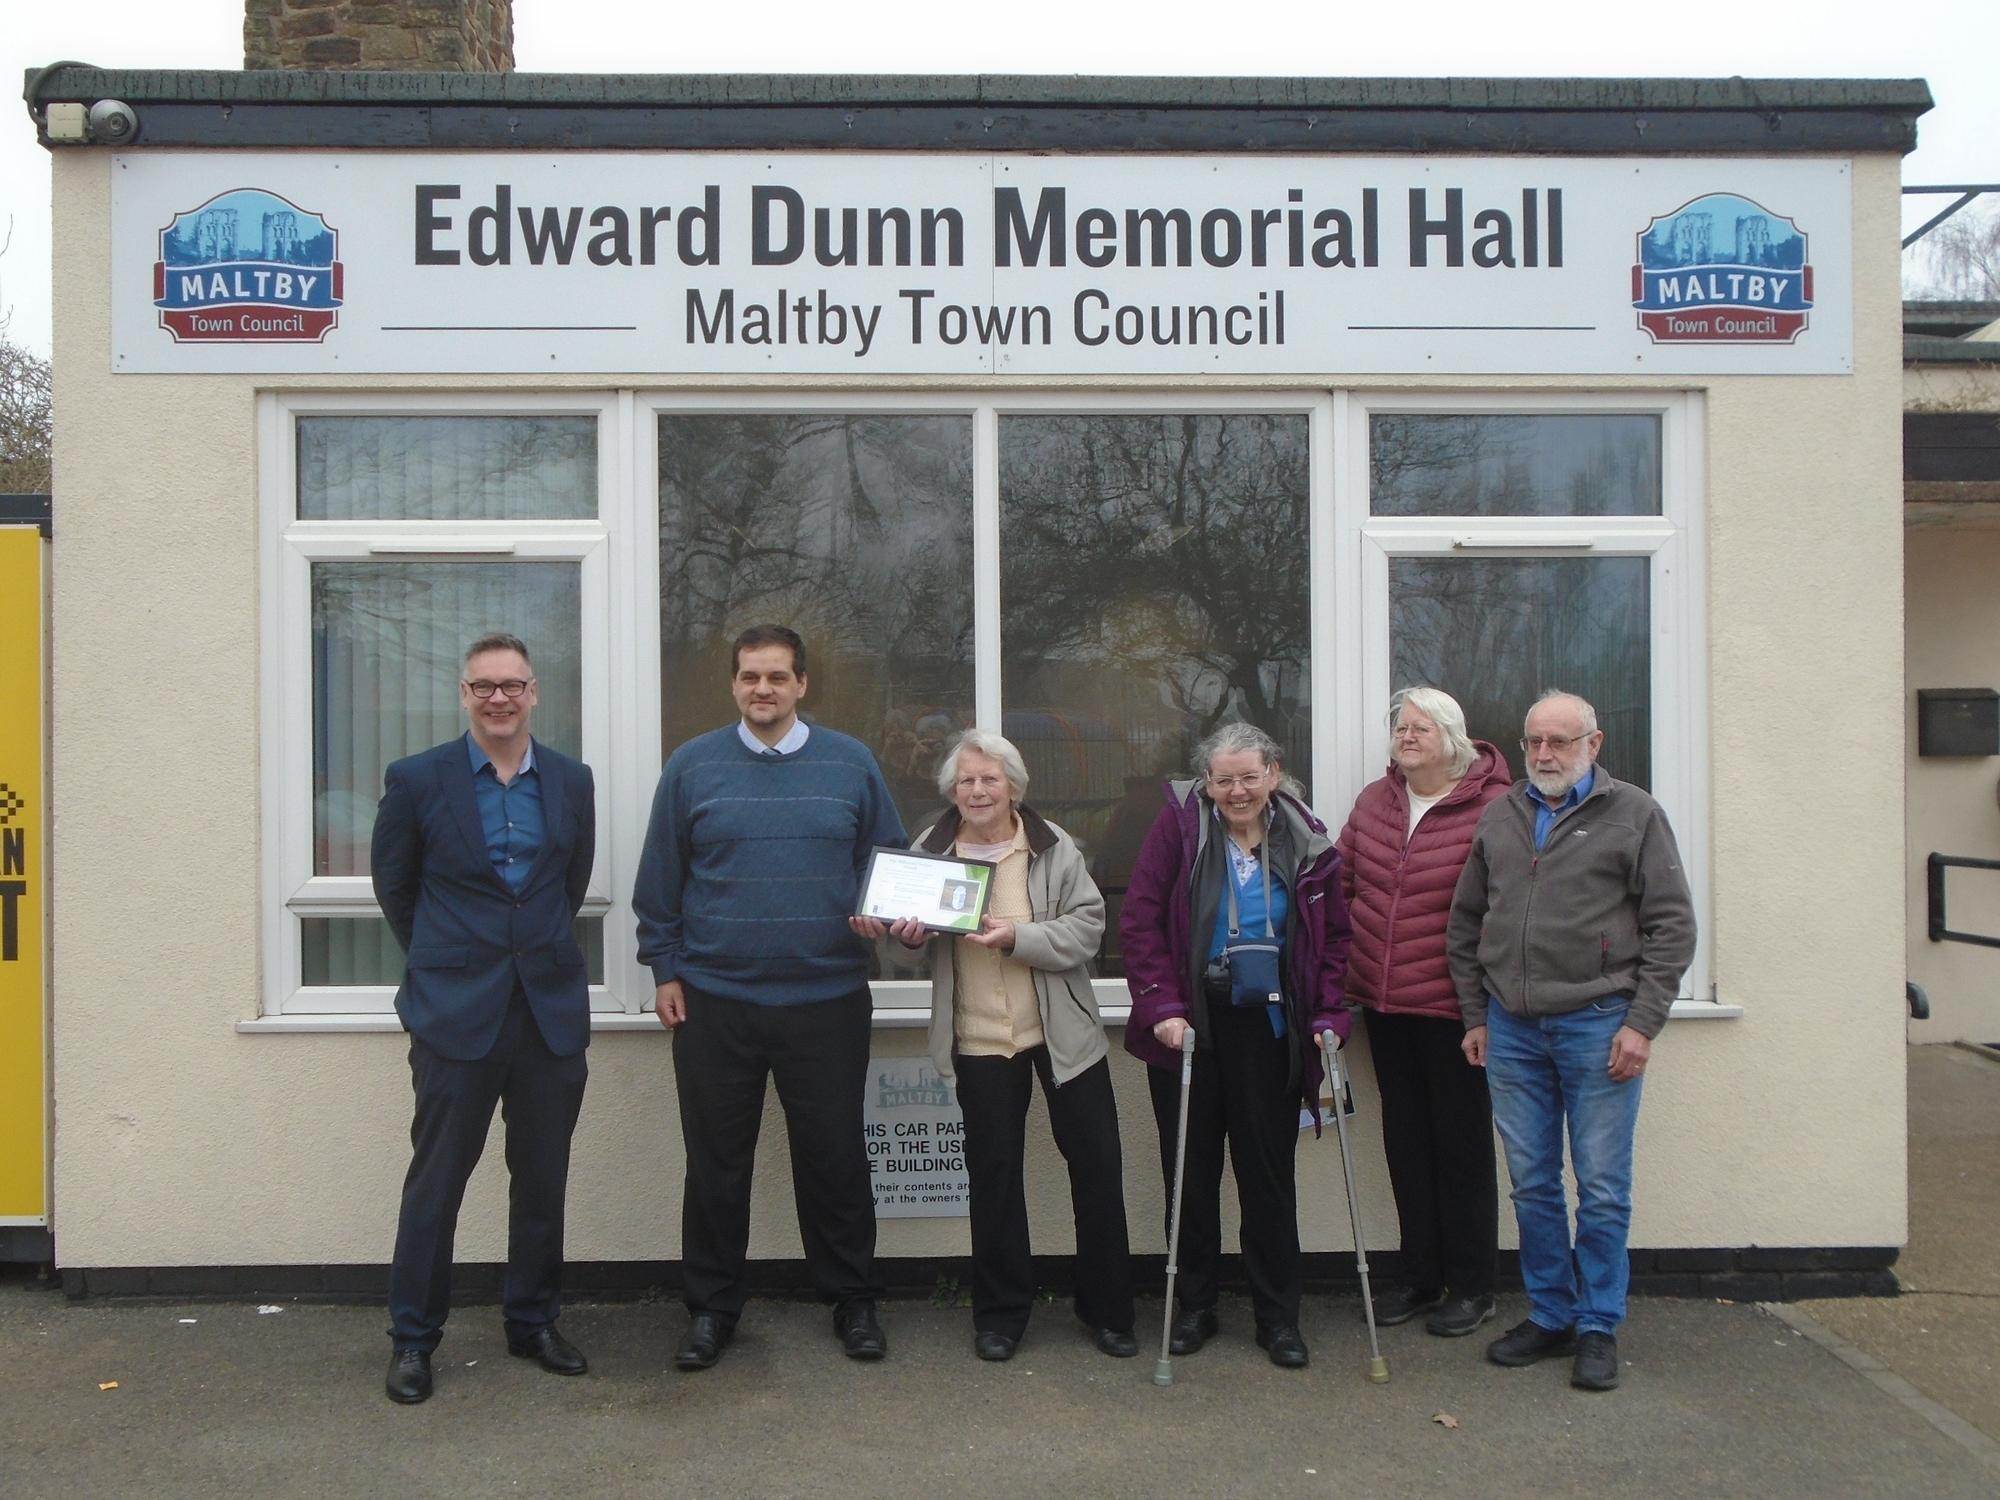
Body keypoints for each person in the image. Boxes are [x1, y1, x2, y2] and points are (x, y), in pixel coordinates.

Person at [634, 624, 907, 1369]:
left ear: (802, 684)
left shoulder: (850, 764)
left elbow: (888, 862)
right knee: (717, 1165)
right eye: (751, 677)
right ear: (733, 684)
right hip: (715, 1001)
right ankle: (712, 1310)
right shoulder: (692, 767)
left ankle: (854, 1303)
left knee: (836, 1159)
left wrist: (891, 916)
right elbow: (659, 881)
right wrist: (664, 969)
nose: (764, 689)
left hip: (827, 997)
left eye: (777, 677)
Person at [851, 730, 1137, 1362]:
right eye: (965, 781)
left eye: (989, 779)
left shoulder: (1054, 847)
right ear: (952, 791)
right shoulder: (928, 852)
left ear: (1014, 787)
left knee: (1096, 1170)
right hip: (978, 1040)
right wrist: (899, 935)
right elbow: (904, 948)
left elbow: (1088, 930)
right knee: (994, 1178)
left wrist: (1018, 936)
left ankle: (1109, 1311)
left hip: (1063, 1038)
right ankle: (1002, 1317)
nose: (977, 791)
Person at [1447, 690, 1696, 1392]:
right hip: (1512, 1028)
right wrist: (1476, 1015)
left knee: (1603, 1188)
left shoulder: (1635, 815)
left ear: (1596, 743)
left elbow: (1672, 926)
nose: (1544, 755)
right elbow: (1465, 927)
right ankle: (1550, 1315)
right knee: (1531, 1185)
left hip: (1599, 1026)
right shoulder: (1501, 815)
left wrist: (1642, 1023)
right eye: (1534, 742)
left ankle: (1597, 1326)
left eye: (1560, 741)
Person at [371, 633, 597, 1405]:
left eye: (512, 686)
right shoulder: (417, 780)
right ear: (464, 694)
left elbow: (566, 886)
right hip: (454, 1016)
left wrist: (524, 954)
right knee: (436, 1184)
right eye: (483, 687)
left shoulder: (571, 781)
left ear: (534, 693)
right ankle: (413, 1339)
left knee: (541, 1179)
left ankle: (532, 1320)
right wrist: (452, 958)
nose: (498, 699)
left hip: (547, 1015)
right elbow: (396, 889)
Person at [1121, 722, 1353, 1369]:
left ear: (1274, 773)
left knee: (1268, 1179)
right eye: (1223, 779)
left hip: (1272, 1029)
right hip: (1189, 1027)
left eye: (1249, 777)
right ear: (1207, 781)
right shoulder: (1180, 827)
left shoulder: (1306, 837)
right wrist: (1162, 1006)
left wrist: (1330, 1012)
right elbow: (1139, 921)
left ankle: (1278, 1317)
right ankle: (1194, 1307)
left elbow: (1334, 937)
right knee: (1191, 1177)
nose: (1237, 790)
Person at [1336, 687, 1511, 1339]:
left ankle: (1472, 1286)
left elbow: (1503, 908)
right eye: (1400, 727)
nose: (1406, 736)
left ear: (1453, 737)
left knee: (1462, 1146)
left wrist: (1485, 1011)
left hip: (1455, 1008)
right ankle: (1418, 1276)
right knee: (1407, 1142)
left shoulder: (1493, 807)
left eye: (1421, 727)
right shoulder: (1376, 803)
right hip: (1384, 1005)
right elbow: (1345, 884)